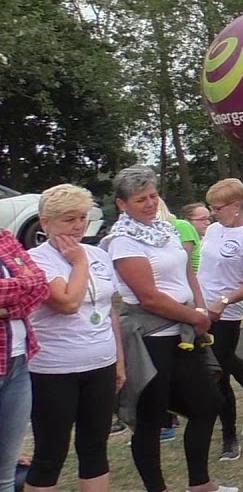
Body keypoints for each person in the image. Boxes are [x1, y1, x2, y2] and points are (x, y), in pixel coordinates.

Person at [105, 167, 230, 492]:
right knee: (151, 418)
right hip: (151, 338)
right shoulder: (122, 241)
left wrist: (199, 308)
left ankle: (200, 483)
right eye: (140, 199)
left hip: (184, 331)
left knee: (207, 403)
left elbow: (188, 273)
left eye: (152, 196)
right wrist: (194, 317)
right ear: (122, 204)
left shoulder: (166, 230)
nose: (149, 203)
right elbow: (149, 297)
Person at [25, 184, 122, 492]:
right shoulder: (35, 260)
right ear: (46, 222)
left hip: (101, 363)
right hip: (54, 369)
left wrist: (119, 361)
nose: (78, 226)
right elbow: (67, 303)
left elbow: (109, 309)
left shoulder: (98, 254)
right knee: (50, 453)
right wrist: (79, 263)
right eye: (69, 219)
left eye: (82, 217)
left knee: (95, 448)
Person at [196, 179, 243, 462]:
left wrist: (224, 301)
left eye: (217, 208)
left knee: (219, 374)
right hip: (200, 309)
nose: (212, 214)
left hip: (226, 314)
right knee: (222, 362)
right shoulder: (214, 230)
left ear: (236, 205)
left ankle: (229, 437)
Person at [0, 230, 50, 492]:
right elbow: (32, 283)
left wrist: (7, 307)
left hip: (17, 361)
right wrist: (24, 284)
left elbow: (41, 285)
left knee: (5, 474)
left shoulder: (4, 238)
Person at [178, 204, 211, 273]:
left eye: (209, 219)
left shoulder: (211, 240)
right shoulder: (181, 241)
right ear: (187, 221)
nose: (208, 223)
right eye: (202, 219)